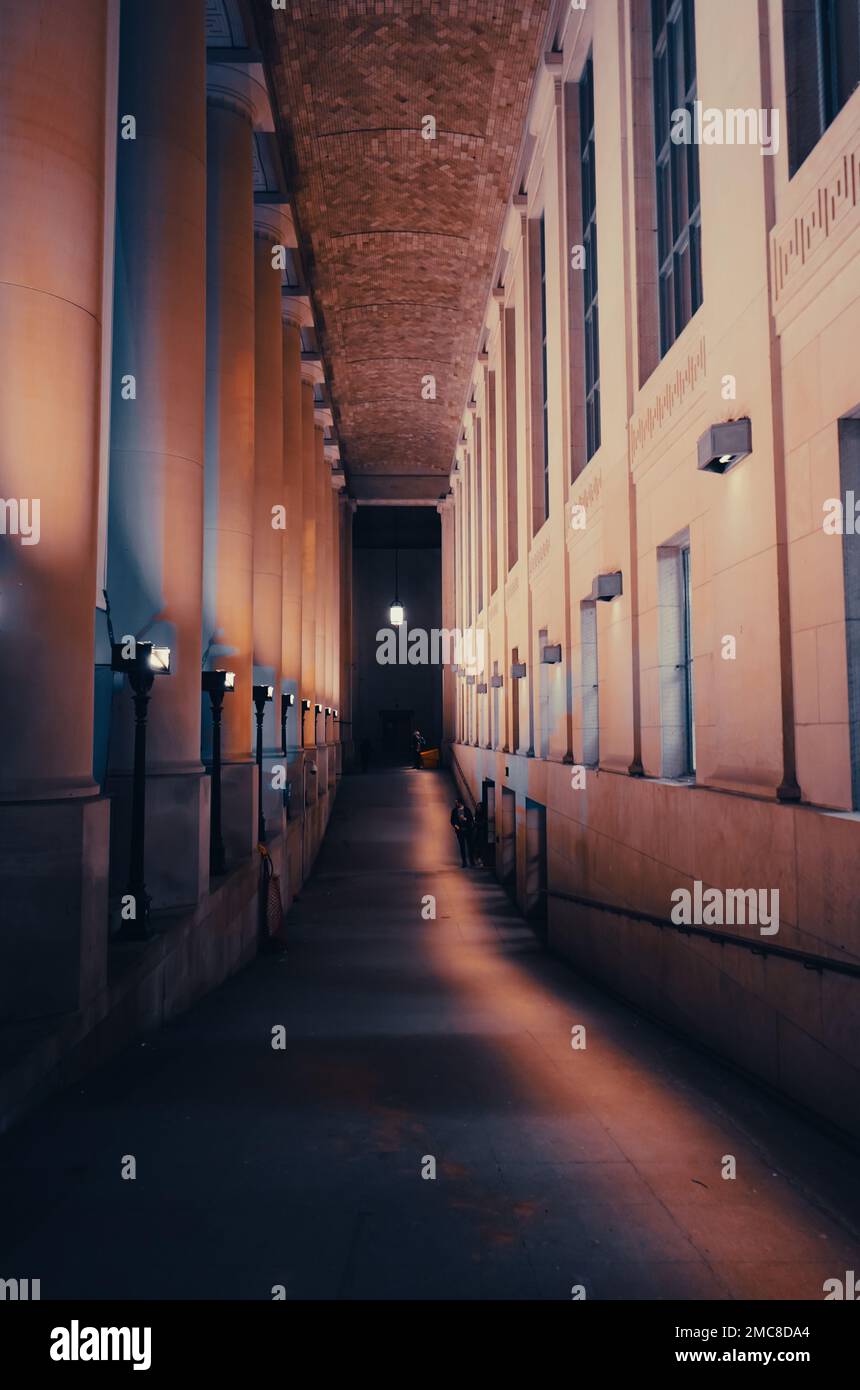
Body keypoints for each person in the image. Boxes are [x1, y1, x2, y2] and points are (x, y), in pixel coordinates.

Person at [450, 798, 475, 867]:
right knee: (462, 847)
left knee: (470, 846)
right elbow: (452, 820)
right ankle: (464, 862)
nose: (456, 804)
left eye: (457, 802)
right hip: (460, 831)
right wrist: (456, 826)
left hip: (468, 830)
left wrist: (465, 819)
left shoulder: (467, 810)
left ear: (460, 803)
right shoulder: (454, 811)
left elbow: (471, 819)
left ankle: (472, 861)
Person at [473, 802, 488, 867]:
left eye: (479, 807)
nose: (478, 808)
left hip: (482, 834)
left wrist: (476, 823)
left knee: (481, 847)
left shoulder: (483, 815)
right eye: (477, 807)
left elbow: (482, 824)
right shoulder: (477, 814)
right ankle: (479, 860)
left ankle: (481, 861)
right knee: (477, 847)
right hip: (477, 833)